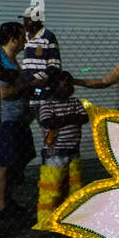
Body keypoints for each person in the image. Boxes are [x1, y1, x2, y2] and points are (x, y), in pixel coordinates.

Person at [0, 22, 48, 223]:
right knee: (4, 167)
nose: (26, 40)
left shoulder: (14, 61)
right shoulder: (1, 62)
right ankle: (1, 208)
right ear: (13, 39)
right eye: (23, 37)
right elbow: (2, 93)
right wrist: (30, 85)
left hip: (20, 120)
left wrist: (36, 87)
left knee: (19, 162)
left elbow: (19, 88)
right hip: (6, 121)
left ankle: (8, 200)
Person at [36, 70, 87, 226]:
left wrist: (61, 120)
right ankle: (46, 220)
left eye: (68, 84)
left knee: (74, 186)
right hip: (55, 152)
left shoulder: (75, 102)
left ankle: (71, 217)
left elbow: (83, 117)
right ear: (54, 86)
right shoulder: (48, 103)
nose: (66, 87)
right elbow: (47, 122)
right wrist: (70, 118)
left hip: (73, 150)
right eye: (62, 84)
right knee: (52, 187)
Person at [19, 0, 61, 121]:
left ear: (34, 21)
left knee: (43, 118)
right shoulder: (24, 36)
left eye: (26, 20)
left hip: (40, 88)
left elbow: (54, 66)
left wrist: (35, 79)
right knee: (23, 121)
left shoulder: (48, 37)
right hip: (25, 87)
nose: (24, 23)